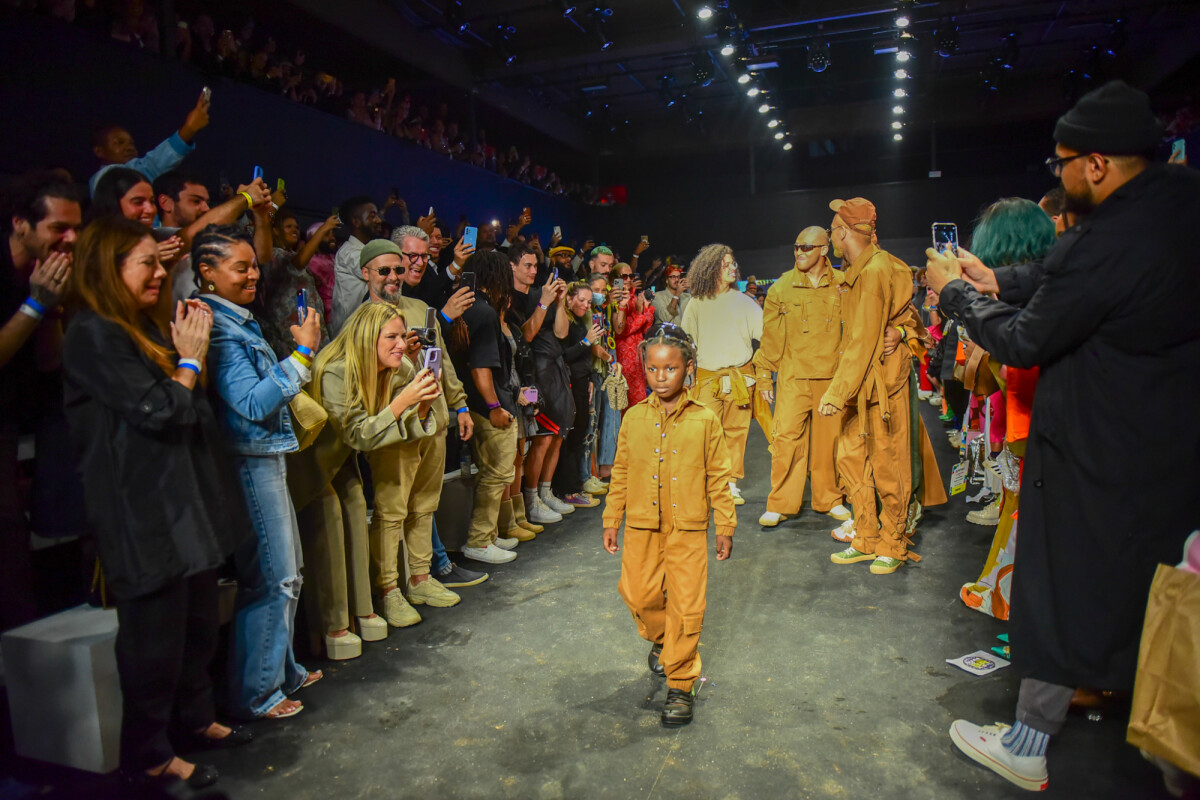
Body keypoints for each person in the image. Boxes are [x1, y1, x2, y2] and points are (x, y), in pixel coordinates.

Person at [925, 80, 1200, 792]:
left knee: (1060, 587)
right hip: (1166, 444)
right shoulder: (1177, 205)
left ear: (1097, 165)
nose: (1060, 174)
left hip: (1095, 448)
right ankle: (1160, 725)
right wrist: (995, 277)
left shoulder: (1106, 238)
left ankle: (1030, 743)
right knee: (1151, 591)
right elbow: (1058, 274)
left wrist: (957, 295)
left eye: (1063, 163)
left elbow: (1026, 339)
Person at [63, 216, 250, 791]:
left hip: (182, 502)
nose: (160, 274)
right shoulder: (92, 334)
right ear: (108, 268)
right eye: (147, 263)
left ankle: (195, 720)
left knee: (197, 626)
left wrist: (189, 358)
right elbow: (160, 410)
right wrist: (189, 361)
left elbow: (187, 410)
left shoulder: (142, 327)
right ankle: (147, 754)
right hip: (139, 512)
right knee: (153, 643)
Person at [195, 224, 324, 720]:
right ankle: (258, 692)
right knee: (273, 578)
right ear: (206, 272)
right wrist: (302, 353)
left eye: (254, 266)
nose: (253, 275)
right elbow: (251, 402)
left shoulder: (238, 320)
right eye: (241, 267)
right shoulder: (219, 328)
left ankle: (282, 671)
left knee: (287, 573)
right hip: (249, 459)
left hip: (266, 454)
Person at [602, 323, 736, 728]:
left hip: (688, 529)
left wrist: (725, 525)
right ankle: (664, 640)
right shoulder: (634, 418)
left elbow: (719, 476)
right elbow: (621, 471)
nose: (661, 377)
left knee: (687, 606)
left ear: (688, 368)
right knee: (638, 595)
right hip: (642, 525)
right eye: (653, 369)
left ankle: (681, 682)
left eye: (671, 368)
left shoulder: (705, 420)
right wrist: (612, 518)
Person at [358, 237, 477, 619]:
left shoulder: (420, 309)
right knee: (391, 510)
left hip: (433, 422)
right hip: (395, 429)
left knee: (425, 506)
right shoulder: (360, 320)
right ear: (365, 273)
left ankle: (421, 579)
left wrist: (460, 404)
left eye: (398, 269)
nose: (394, 276)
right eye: (385, 270)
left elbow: (443, 362)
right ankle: (388, 590)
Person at [1, 172, 81, 630]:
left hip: (21, 414)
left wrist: (50, 308)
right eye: (58, 228)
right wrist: (35, 306)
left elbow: (49, 361)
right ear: (20, 224)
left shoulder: (47, 271)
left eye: (76, 228)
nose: (70, 239)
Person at [754, 227, 851, 527]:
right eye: (796, 247)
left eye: (806, 247)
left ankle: (830, 499)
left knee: (828, 443)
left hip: (831, 378)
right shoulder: (781, 288)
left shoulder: (843, 284)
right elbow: (771, 337)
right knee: (786, 439)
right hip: (793, 377)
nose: (799, 252)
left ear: (824, 249)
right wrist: (764, 376)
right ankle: (780, 502)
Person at [448, 250, 521, 564]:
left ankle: (488, 535)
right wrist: (494, 406)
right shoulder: (485, 312)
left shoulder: (465, 307)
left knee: (490, 473)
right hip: (487, 406)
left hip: (468, 403)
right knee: (496, 474)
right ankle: (479, 540)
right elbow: (481, 367)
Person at [679, 244, 762, 505]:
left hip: (740, 377)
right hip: (706, 378)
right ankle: (708, 481)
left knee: (737, 432)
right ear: (711, 268)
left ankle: (731, 484)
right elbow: (687, 341)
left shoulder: (745, 302)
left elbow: (766, 336)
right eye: (725, 264)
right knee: (704, 431)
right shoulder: (696, 303)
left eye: (733, 263)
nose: (732, 268)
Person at [89, 89, 210, 193]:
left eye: (132, 144)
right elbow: (150, 167)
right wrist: (188, 129)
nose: (129, 148)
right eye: (119, 143)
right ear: (99, 151)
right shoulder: (104, 177)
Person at [551, 282, 607, 501]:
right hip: (569, 383)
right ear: (569, 299)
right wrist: (586, 342)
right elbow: (563, 356)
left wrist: (591, 378)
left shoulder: (581, 321)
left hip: (583, 381)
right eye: (581, 300)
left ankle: (577, 485)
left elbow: (584, 356)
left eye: (589, 302)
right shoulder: (565, 322)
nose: (585, 305)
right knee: (571, 435)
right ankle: (567, 490)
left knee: (582, 431)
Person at [331, 195, 382, 333]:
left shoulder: (366, 250)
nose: (379, 220)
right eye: (372, 216)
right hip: (349, 333)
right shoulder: (348, 253)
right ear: (356, 222)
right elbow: (380, 272)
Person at [613, 262, 655, 409]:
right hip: (623, 357)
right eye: (624, 276)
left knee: (639, 401)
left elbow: (646, 329)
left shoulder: (633, 297)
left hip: (637, 357)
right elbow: (622, 330)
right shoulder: (615, 299)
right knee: (626, 402)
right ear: (615, 278)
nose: (629, 279)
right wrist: (641, 313)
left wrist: (646, 307)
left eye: (631, 276)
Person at [305, 218, 340, 322]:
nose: (332, 238)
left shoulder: (334, 258)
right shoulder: (312, 262)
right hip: (326, 317)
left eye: (332, 234)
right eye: (326, 235)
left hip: (341, 312)